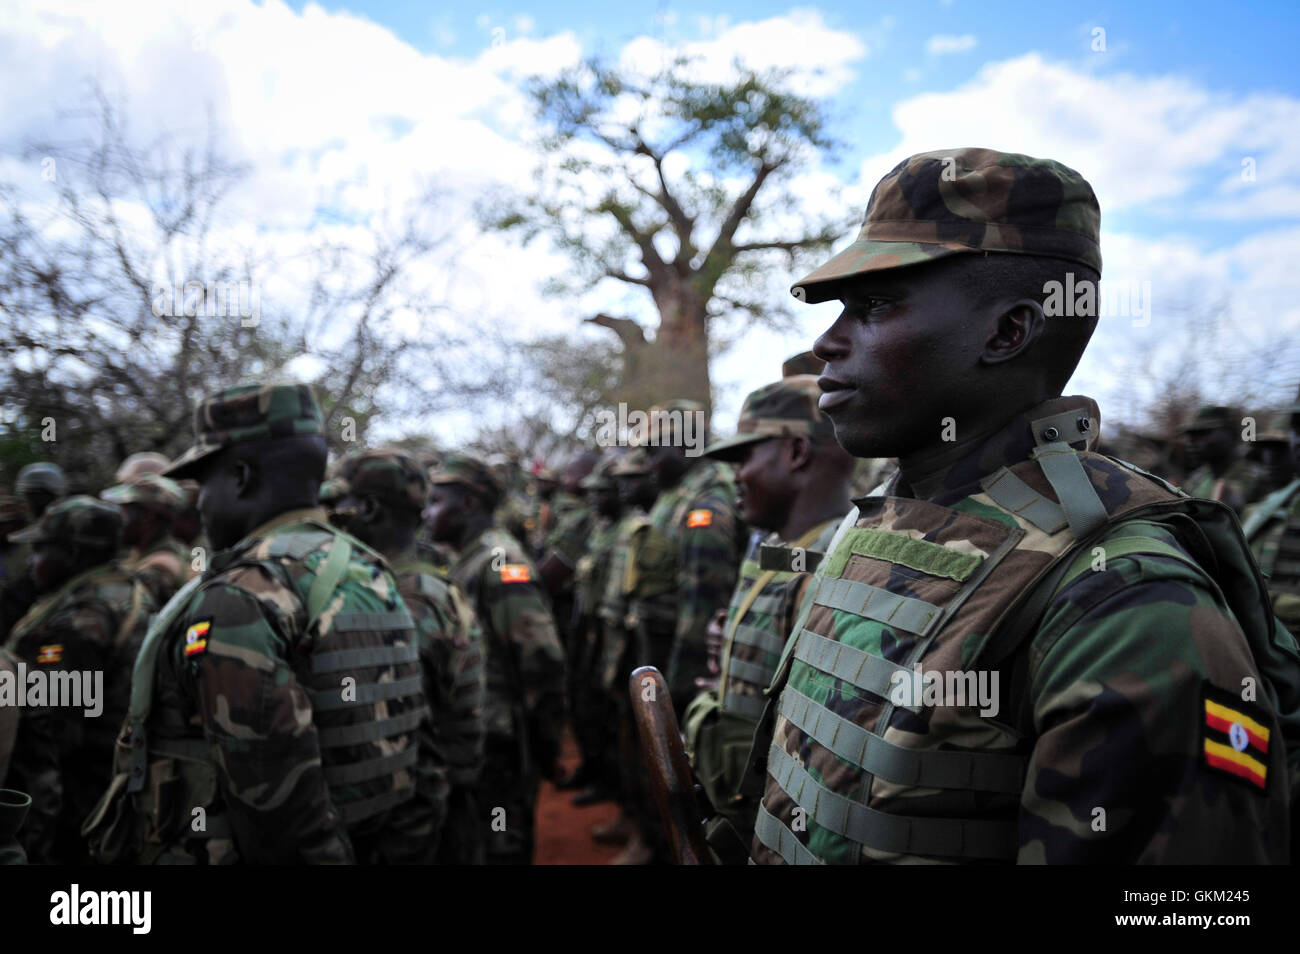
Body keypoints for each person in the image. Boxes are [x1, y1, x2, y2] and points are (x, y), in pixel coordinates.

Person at [747, 147, 1296, 865]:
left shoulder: (1125, 600)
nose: (826, 343)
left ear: (1008, 332)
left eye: (875, 304)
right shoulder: (883, 515)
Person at [83, 383, 428, 864]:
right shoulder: (369, 569)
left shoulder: (242, 595)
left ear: (241, 477)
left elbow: (277, 813)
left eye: (205, 485)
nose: (199, 505)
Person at [681, 375, 854, 858]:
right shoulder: (782, 549)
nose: (735, 475)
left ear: (797, 452)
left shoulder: (834, 564)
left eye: (745, 457)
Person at [329, 449, 487, 864]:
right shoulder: (409, 578)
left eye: (338, 505)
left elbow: (393, 721)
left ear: (368, 509)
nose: (330, 516)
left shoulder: (405, 595)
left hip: (416, 810)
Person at [425, 453, 566, 864]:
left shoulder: (501, 562)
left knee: (501, 839)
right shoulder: (464, 558)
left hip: (498, 738)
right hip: (471, 734)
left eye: (437, 501)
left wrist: (547, 740)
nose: (427, 512)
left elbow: (541, 657)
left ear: (468, 504)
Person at [3, 496, 155, 863]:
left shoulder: (79, 620)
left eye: (41, 549)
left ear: (71, 553)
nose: (33, 561)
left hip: (77, 791)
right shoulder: (122, 590)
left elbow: (53, 729)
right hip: (112, 776)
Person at [634, 401, 747, 715]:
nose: (648, 464)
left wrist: (681, 687)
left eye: (654, 451)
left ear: (683, 445)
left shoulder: (708, 497)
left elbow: (703, 601)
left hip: (682, 656)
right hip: (660, 643)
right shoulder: (680, 489)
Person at [1243, 388, 1300, 635]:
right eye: (1297, 428)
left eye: (1278, 450)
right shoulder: (1268, 508)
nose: (1270, 460)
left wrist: (1261, 601)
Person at [101, 472, 191, 605]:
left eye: (123, 512)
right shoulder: (147, 553)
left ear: (148, 517)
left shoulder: (161, 566)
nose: (118, 520)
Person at [1181, 405, 1267, 515]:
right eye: (1190, 436)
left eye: (1202, 434)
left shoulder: (1257, 479)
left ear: (1231, 434)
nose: (1190, 442)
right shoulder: (1196, 480)